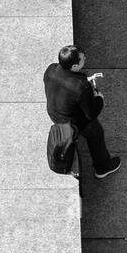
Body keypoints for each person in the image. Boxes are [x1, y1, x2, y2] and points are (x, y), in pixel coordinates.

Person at [44, 46, 121, 179]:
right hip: (73, 122)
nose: (85, 58)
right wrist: (99, 98)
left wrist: (83, 81)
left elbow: (66, 86)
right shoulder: (82, 87)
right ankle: (102, 167)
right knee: (96, 133)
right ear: (74, 66)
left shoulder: (51, 69)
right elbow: (91, 113)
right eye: (82, 59)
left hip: (54, 113)